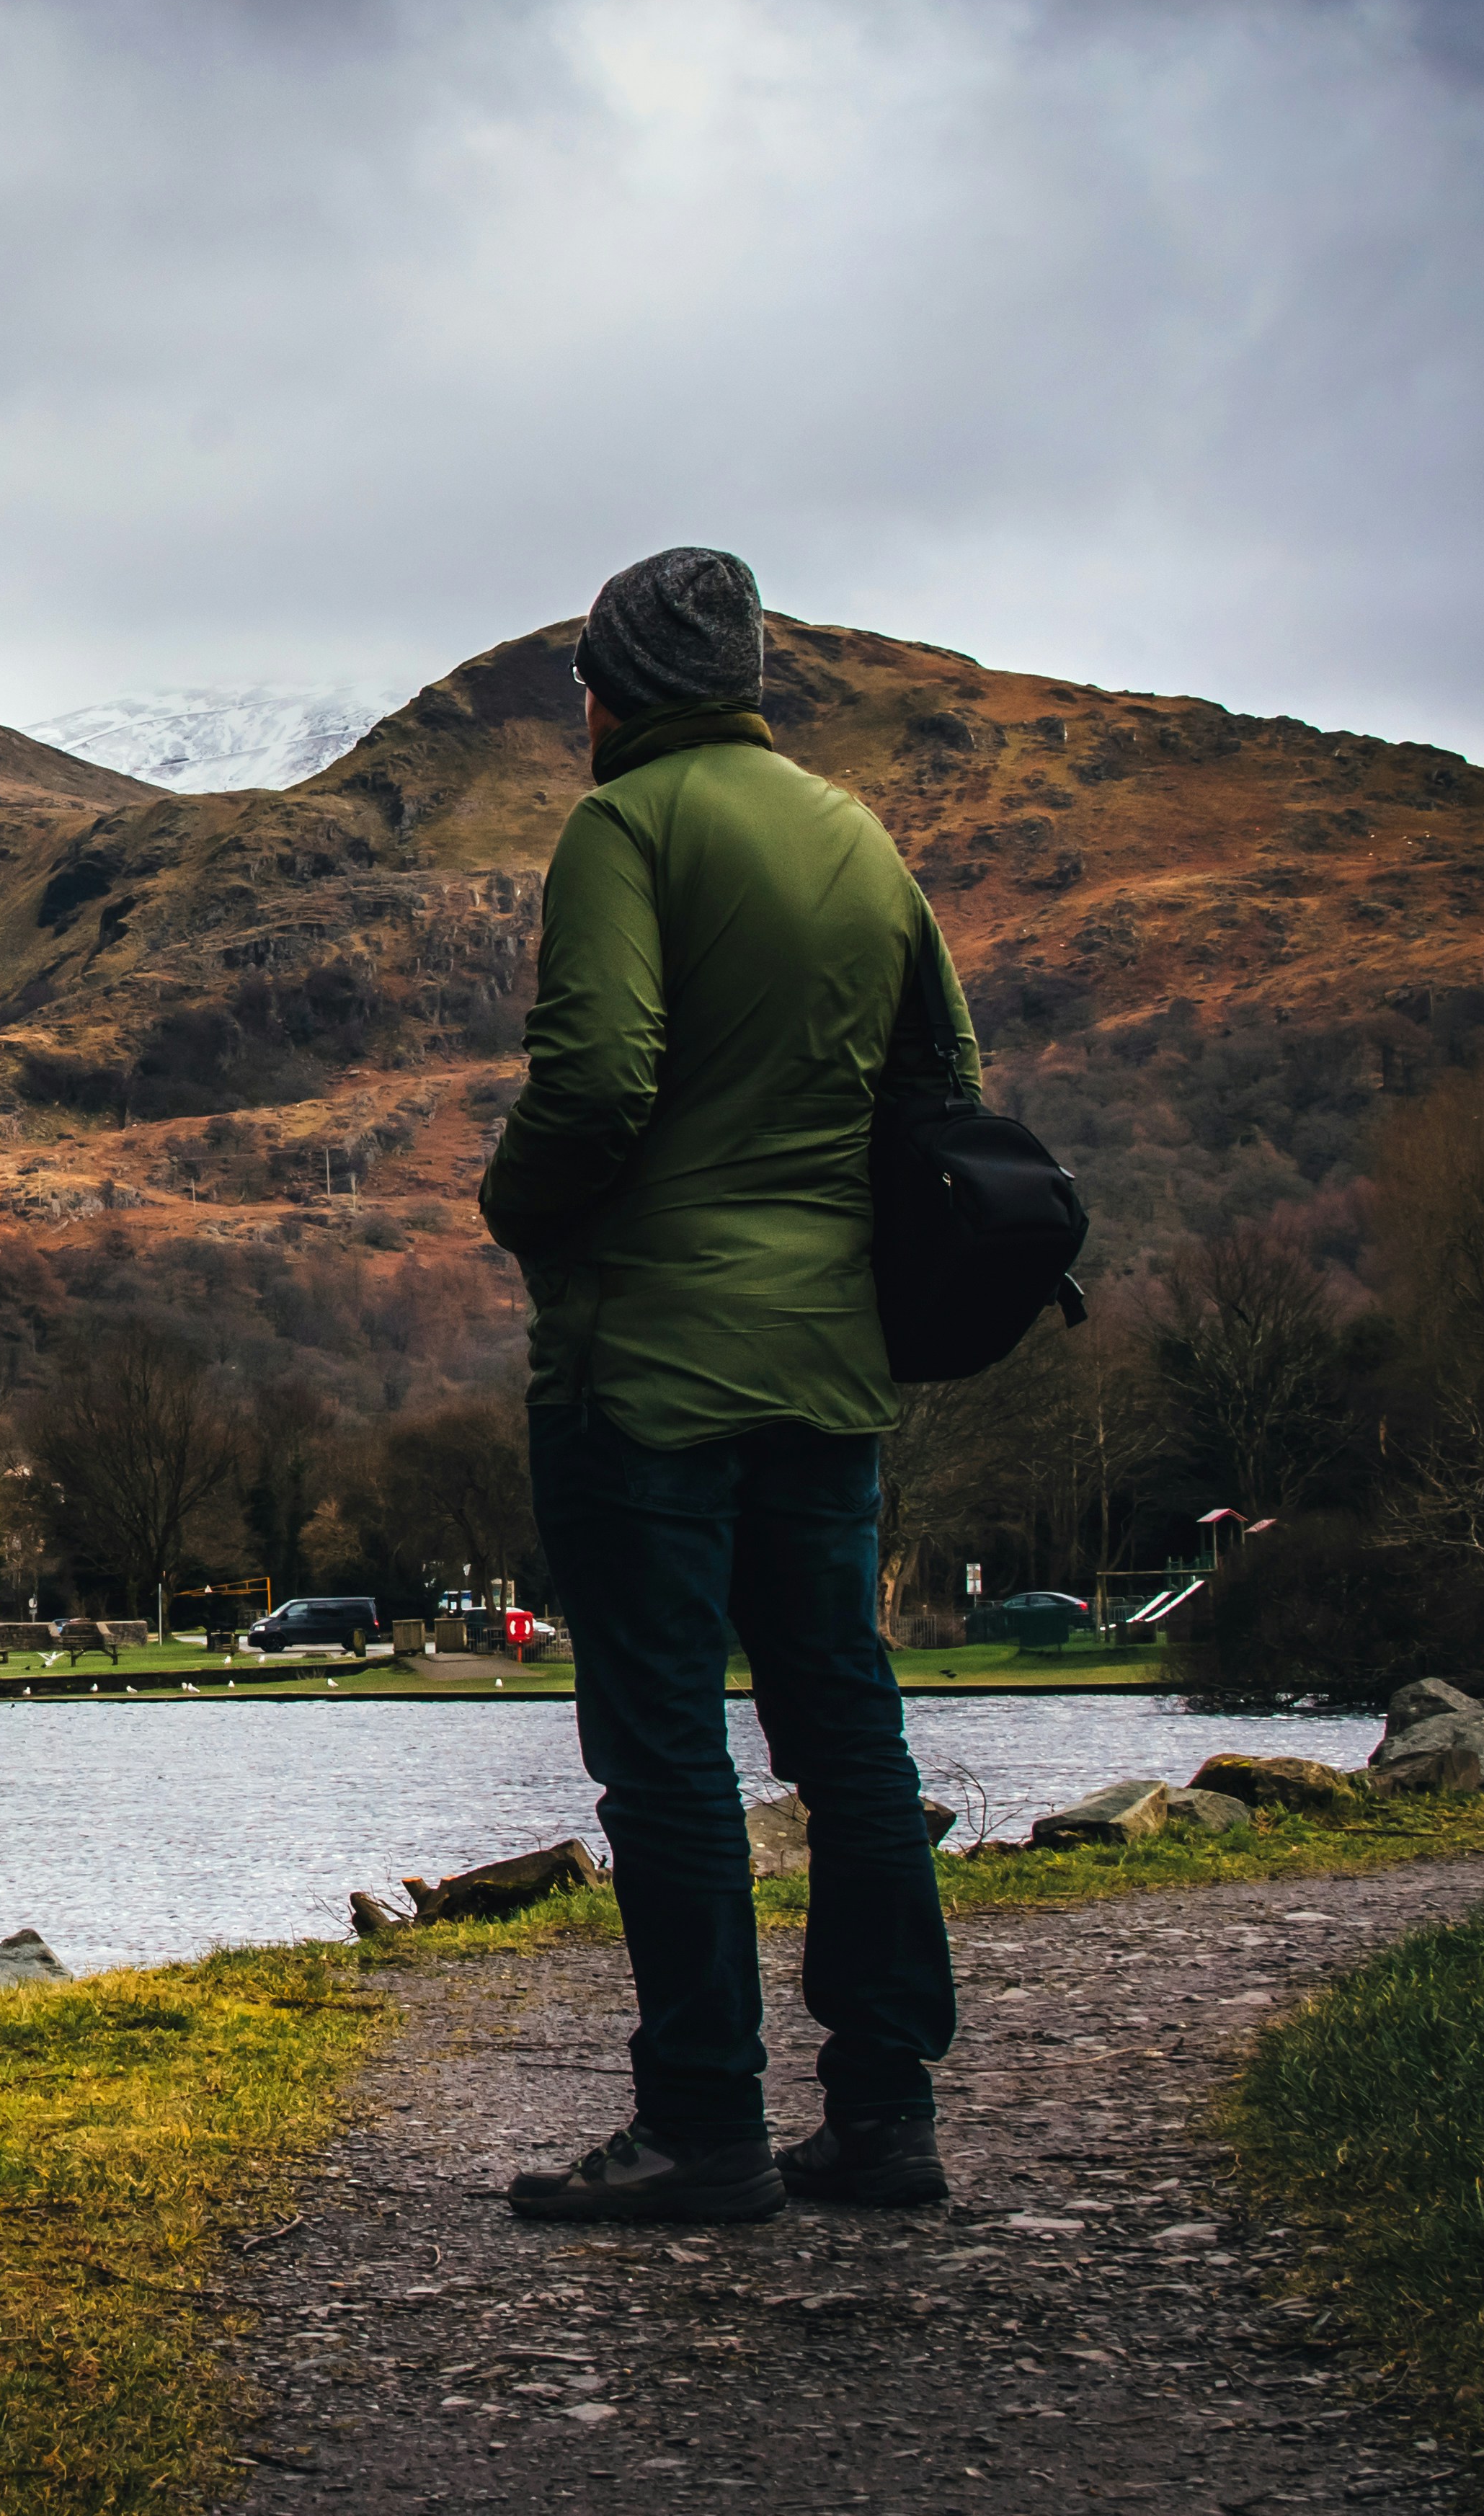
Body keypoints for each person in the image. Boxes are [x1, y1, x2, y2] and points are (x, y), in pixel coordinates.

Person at [474, 546, 977, 2224]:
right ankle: (887, 2112)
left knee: (668, 1743)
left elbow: (600, 1072)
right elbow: (945, 1090)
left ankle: (704, 2121)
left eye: (586, 684)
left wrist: (520, 1210)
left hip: (649, 1372)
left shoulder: (626, 826)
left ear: (614, 688)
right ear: (749, 676)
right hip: (826, 1370)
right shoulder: (857, 833)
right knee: (848, 1729)